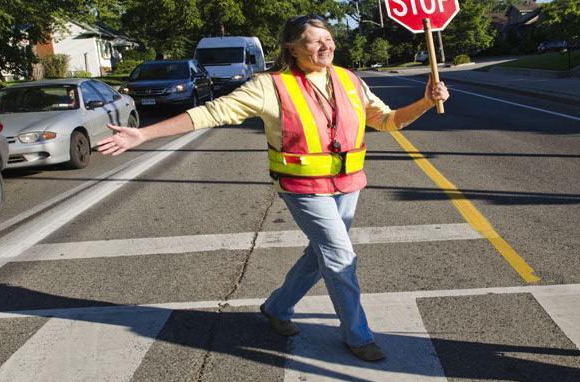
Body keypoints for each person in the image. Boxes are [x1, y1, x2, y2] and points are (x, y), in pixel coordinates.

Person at [96, 14, 450, 361]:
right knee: (341, 257)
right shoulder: (270, 85)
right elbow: (210, 112)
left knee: (320, 255)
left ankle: (278, 308)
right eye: (315, 40)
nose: (325, 45)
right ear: (293, 48)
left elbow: (387, 121)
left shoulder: (349, 80)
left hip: (348, 184)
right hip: (303, 187)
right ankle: (358, 335)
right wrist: (143, 134)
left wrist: (424, 101)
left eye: (328, 38)